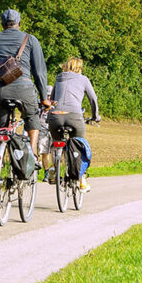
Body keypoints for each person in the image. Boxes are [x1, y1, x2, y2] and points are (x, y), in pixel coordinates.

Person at [0, 9, 49, 172]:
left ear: (2, 24)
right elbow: (39, 72)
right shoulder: (30, 40)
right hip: (24, 90)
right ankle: (32, 154)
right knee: (32, 117)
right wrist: (43, 98)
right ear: (19, 23)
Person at [46, 56, 100, 190]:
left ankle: (53, 166)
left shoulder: (59, 78)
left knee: (56, 141)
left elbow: (52, 100)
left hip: (56, 116)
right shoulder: (84, 79)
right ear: (79, 68)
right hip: (74, 116)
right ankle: (82, 180)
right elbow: (93, 98)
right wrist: (95, 116)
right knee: (80, 145)